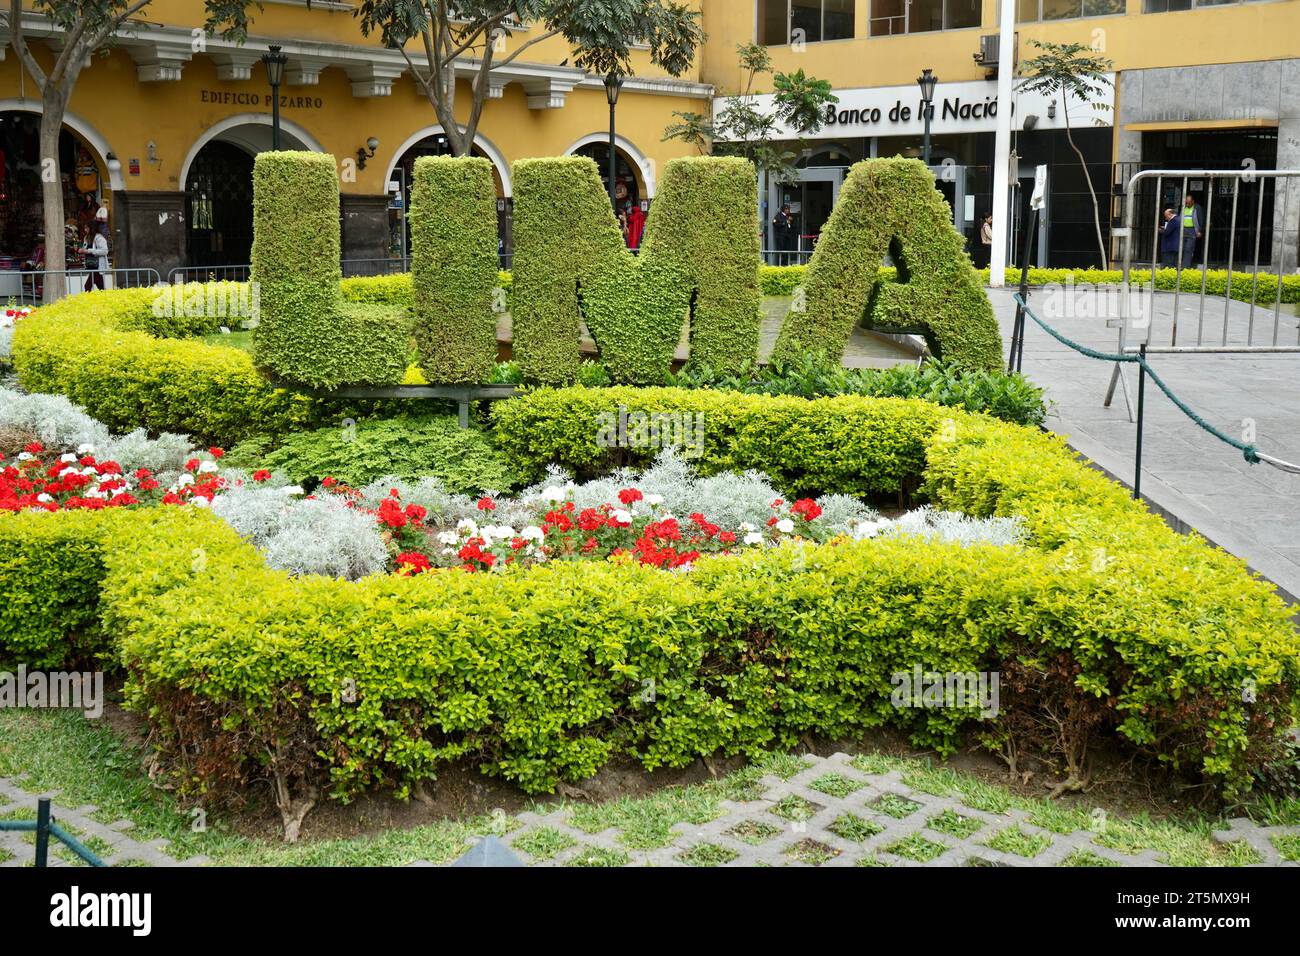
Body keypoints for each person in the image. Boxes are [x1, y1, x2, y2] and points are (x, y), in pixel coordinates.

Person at [81, 221, 109, 292]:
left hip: (97, 266)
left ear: (91, 228)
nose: (85, 230)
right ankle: (106, 300)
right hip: (91, 265)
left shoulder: (99, 238)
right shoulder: (86, 238)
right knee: (101, 287)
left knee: (87, 286)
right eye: (85, 228)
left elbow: (105, 251)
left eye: (87, 228)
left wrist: (89, 251)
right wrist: (82, 250)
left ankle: (87, 302)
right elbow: (86, 248)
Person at [1180, 194, 1202, 269]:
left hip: (1192, 230)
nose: (1187, 204)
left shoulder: (1197, 208)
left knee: (1188, 248)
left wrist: (1199, 231)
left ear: (1193, 201)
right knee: (1181, 248)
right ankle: (1181, 264)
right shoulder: (1183, 208)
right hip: (1183, 230)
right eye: (1186, 202)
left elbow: (1200, 219)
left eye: (1189, 202)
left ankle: (1185, 266)